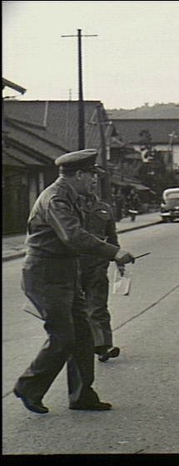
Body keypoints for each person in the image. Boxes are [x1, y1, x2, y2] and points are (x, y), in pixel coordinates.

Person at [13, 149, 135, 414]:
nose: (94, 181)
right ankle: (28, 386)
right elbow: (73, 236)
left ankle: (81, 395)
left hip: (66, 272)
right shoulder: (56, 199)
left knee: (82, 336)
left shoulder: (74, 196)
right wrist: (113, 252)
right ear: (79, 174)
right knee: (63, 337)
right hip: (45, 274)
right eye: (92, 175)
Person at [80, 187, 121, 363]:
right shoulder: (68, 207)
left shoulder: (104, 208)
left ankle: (104, 346)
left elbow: (111, 237)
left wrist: (117, 257)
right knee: (74, 309)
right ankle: (79, 345)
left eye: (96, 179)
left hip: (96, 264)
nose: (93, 182)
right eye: (91, 176)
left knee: (98, 306)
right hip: (72, 264)